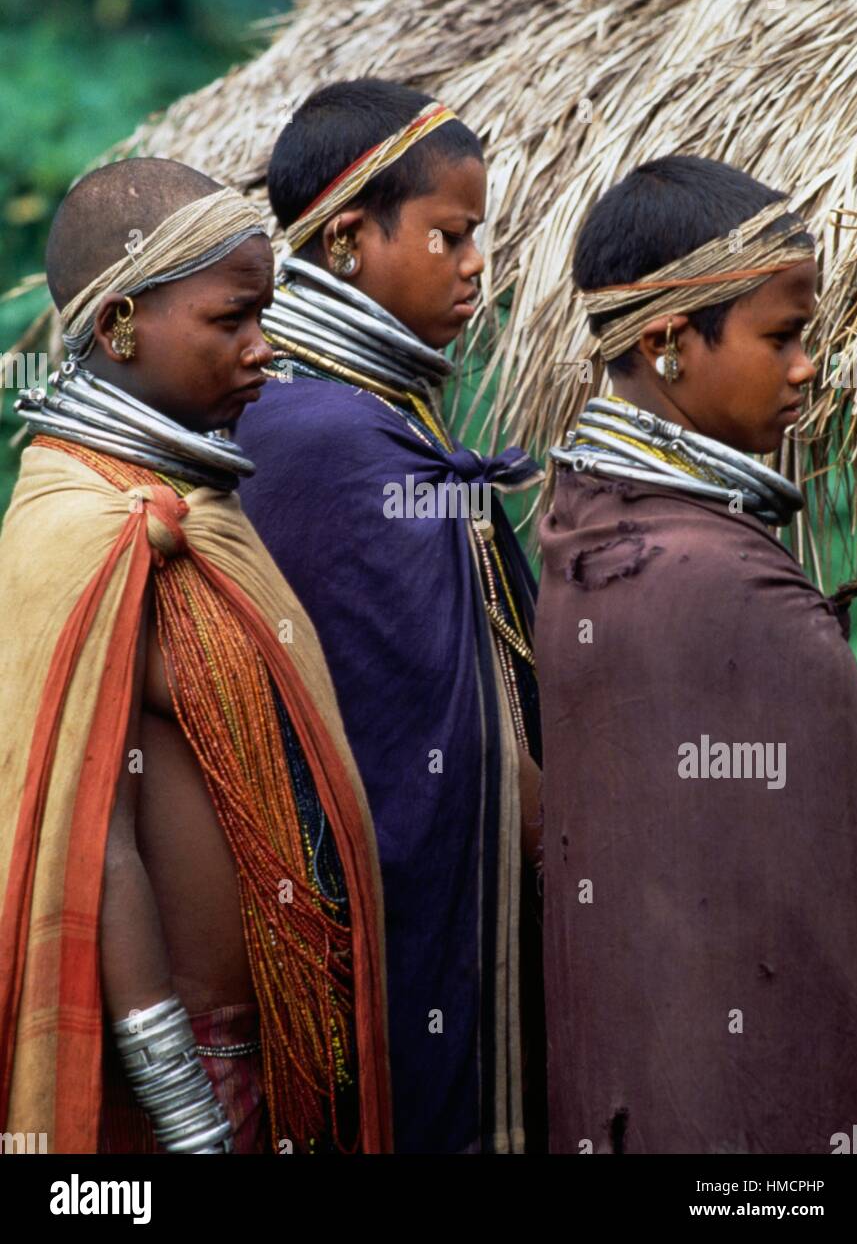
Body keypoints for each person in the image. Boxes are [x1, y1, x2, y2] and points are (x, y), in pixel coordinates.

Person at [0, 158, 391, 1155]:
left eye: (264, 314)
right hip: (175, 1077)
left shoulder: (204, 513)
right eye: (231, 320)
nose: (265, 350)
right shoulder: (84, 528)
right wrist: (185, 1111)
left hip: (277, 1031)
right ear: (119, 324)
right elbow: (98, 846)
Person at [537, 154, 857, 1154]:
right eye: (783, 336)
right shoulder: (731, 592)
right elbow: (820, 940)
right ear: (671, 344)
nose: (808, 367)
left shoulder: (576, 528)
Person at [237, 78, 543, 1154]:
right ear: (351, 238)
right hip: (383, 929)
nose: (475, 265)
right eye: (449, 234)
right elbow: (398, 737)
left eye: (478, 237)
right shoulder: (327, 436)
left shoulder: (374, 418)